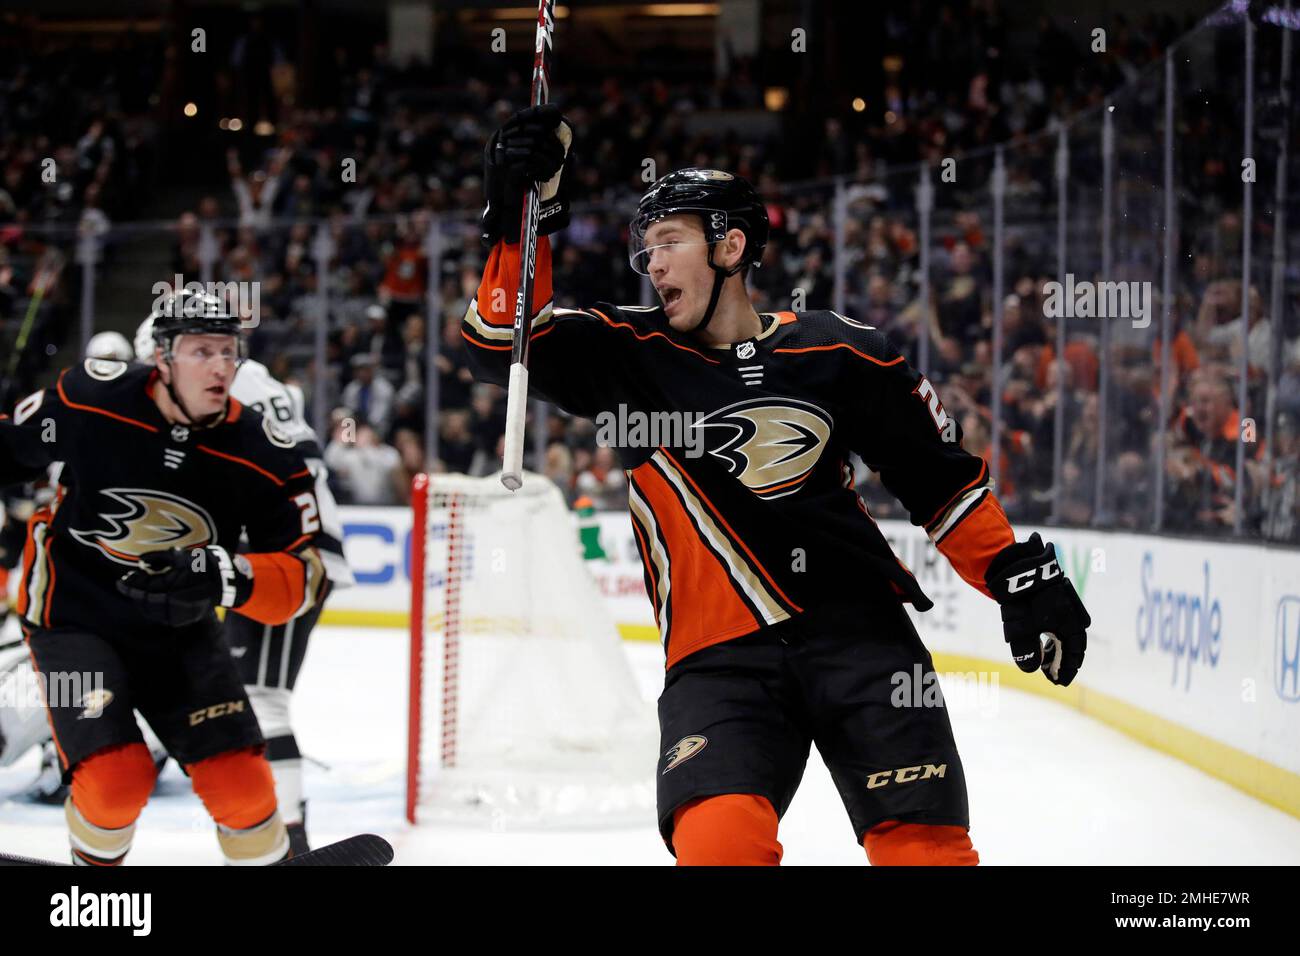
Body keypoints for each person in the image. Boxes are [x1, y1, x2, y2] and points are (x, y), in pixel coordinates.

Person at [461, 105, 1091, 866]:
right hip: (718, 660)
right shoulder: (626, 352)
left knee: (928, 855)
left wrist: (1013, 574)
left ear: (729, 247)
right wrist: (517, 213)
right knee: (719, 847)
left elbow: (940, 484)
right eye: (645, 248)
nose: (652, 264)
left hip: (862, 638)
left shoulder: (844, 352)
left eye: (670, 242)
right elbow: (499, 341)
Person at [0, 293, 328, 865]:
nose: (222, 366)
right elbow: (9, 450)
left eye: (229, 351)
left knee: (245, 789)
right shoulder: (92, 400)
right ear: (163, 358)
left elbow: (304, 577)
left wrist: (228, 575)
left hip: (181, 634)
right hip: (73, 620)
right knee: (116, 780)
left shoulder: (260, 448)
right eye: (203, 351)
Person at [135, 310, 354, 854]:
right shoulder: (251, 379)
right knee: (248, 697)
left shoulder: (230, 387)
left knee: (264, 699)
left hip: (287, 553)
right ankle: (277, 834)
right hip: (262, 555)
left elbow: (281, 469)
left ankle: (293, 842)